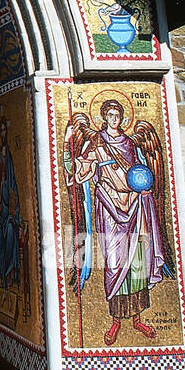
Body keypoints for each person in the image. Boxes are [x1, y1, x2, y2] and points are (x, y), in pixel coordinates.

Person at [72, 99, 167, 346]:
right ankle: (115, 321)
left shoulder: (130, 143)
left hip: (134, 205)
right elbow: (80, 172)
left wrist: (144, 186)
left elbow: (140, 169)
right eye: (110, 114)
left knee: (136, 261)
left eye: (118, 115)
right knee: (114, 262)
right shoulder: (97, 143)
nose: (114, 118)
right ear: (103, 117)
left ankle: (137, 319)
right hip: (110, 206)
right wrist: (88, 162)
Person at [0, 116, 26, 292]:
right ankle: (4, 275)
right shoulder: (2, 153)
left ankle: (12, 273)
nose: (3, 134)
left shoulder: (9, 155)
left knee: (10, 232)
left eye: (5, 130)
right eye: (1, 131)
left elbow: (12, 183)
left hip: (13, 210)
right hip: (4, 208)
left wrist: (14, 212)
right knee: (0, 238)